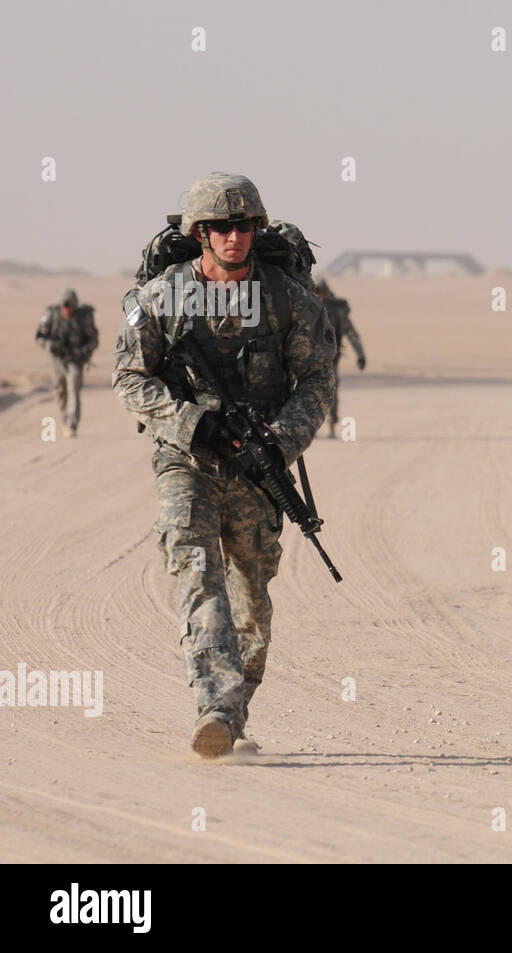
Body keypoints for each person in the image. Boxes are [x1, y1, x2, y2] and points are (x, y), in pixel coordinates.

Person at [112, 172, 336, 758]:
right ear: (200, 234)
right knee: (196, 572)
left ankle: (234, 711)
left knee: (251, 596)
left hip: (259, 465)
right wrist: (192, 422)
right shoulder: (161, 297)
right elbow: (130, 378)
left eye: (244, 226)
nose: (234, 236)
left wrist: (279, 442)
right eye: (220, 226)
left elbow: (316, 381)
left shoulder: (289, 300)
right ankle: (213, 705)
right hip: (186, 458)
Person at [36, 288, 98, 436]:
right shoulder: (51, 314)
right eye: (65, 307)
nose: (67, 310)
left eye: (70, 308)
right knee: (60, 390)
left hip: (75, 360)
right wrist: (51, 345)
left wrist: (85, 351)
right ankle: (65, 418)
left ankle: (72, 424)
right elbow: (40, 336)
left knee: (74, 389)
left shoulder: (84, 317)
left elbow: (93, 339)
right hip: (57, 359)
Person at [314, 278, 366, 438]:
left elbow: (350, 332)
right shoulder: (305, 306)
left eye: (320, 292)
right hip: (306, 358)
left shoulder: (336, 310)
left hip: (330, 359)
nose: (319, 296)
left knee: (331, 392)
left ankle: (331, 426)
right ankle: (311, 428)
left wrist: (360, 354)